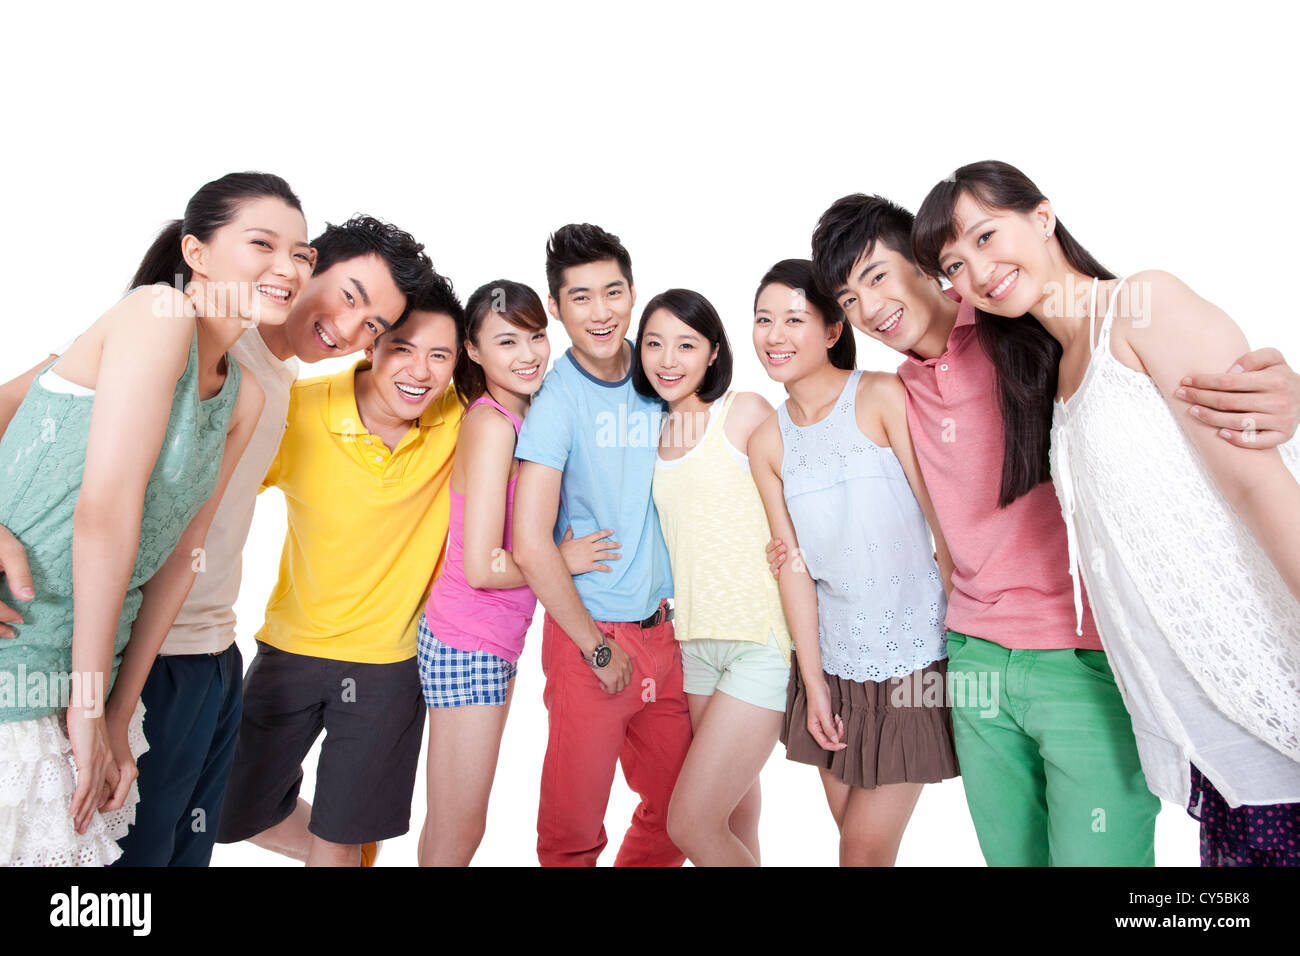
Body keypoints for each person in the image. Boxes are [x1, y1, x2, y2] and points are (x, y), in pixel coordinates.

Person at [0, 215, 432, 867]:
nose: (349, 330)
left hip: (211, 658)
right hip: (135, 658)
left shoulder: (274, 384)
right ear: (301, 267)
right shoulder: (181, 338)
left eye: (374, 325)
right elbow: (29, 413)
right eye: (349, 295)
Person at [912, 159, 1300, 867]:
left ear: (1042, 215)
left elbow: (1259, 484)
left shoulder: (1142, 304)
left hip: (1268, 687)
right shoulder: (1055, 372)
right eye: (955, 265)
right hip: (1206, 729)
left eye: (987, 235)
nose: (978, 270)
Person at [0, 171, 302, 865]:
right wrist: (85, 706)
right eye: (263, 243)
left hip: (84, 673)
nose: (288, 267)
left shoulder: (246, 396)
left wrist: (112, 709)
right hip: (19, 650)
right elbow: (104, 514)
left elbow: (178, 559)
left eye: (302, 253)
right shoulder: (157, 317)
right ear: (196, 253)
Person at [215, 276, 464, 867]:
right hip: (289, 648)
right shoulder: (297, 409)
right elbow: (217, 494)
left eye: (440, 356)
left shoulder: (461, 418)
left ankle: (343, 847)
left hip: (389, 666)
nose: (421, 371)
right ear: (371, 345)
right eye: (403, 348)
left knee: (339, 835)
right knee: (224, 808)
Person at [748, 259, 958, 866]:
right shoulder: (769, 440)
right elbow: (793, 569)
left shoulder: (881, 395)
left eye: (794, 319)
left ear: (833, 330)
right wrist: (813, 685)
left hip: (914, 660)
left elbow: (942, 526)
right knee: (858, 844)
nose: (775, 335)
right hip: (834, 668)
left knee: (861, 852)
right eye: (763, 320)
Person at [415, 279, 614, 866]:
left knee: (454, 825)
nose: (527, 354)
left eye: (535, 336)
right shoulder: (493, 424)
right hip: (467, 640)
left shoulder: (524, 417)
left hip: (487, 640)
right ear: (473, 351)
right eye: (507, 341)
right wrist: (560, 561)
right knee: (459, 829)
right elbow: (480, 565)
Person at [512, 223, 693, 867]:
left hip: (666, 633)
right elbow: (531, 542)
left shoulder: (658, 373)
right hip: (592, 633)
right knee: (572, 831)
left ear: (632, 293)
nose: (601, 312)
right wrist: (593, 646)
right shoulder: (558, 399)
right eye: (580, 298)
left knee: (684, 812)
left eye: (613, 292)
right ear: (555, 308)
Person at [632, 288, 792, 866]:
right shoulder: (645, 433)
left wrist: (794, 558)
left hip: (760, 641)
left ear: (712, 352)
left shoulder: (743, 412)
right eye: (654, 343)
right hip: (695, 647)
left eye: (685, 344)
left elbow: (801, 496)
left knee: (691, 824)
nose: (667, 359)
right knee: (731, 819)